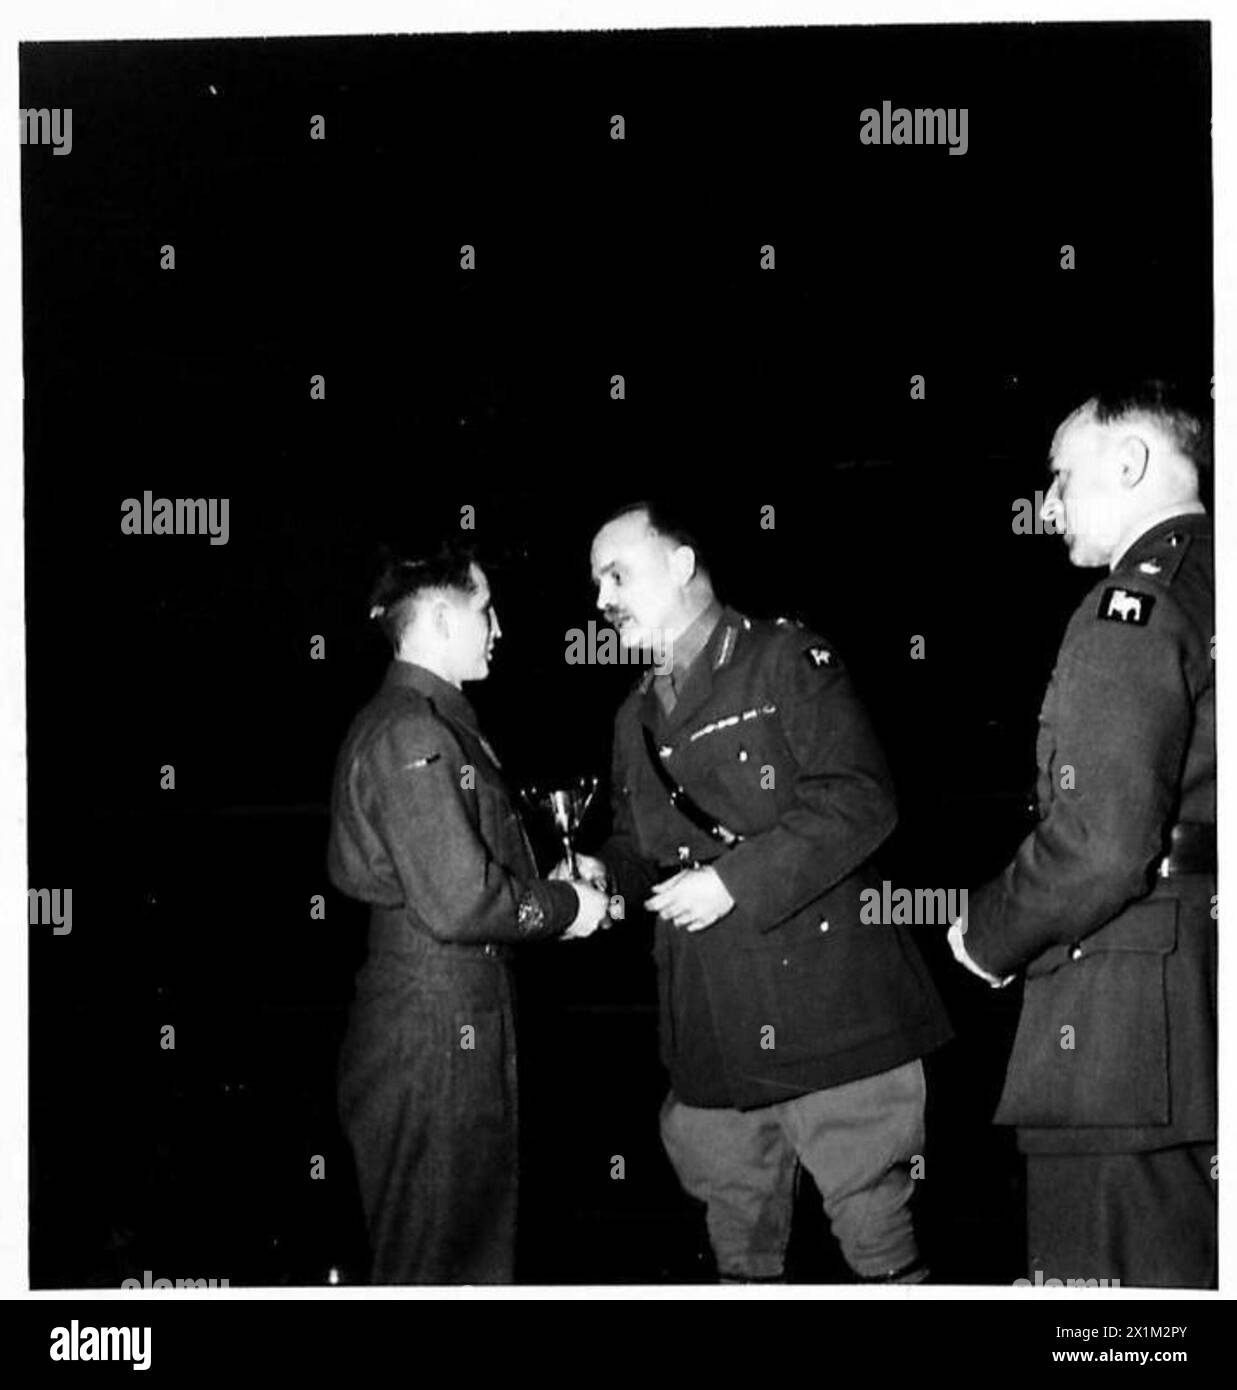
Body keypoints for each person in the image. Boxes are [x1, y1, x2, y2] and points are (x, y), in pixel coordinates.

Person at [571, 503, 952, 1282]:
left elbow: (859, 798)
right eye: (594, 584)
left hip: (824, 1003)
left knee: (873, 1232)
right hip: (708, 1015)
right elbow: (644, 846)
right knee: (738, 1242)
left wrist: (730, 883)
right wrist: (603, 874)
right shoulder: (632, 715)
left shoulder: (783, 657)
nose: (602, 601)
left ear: (681, 565)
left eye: (618, 574)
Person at [949, 379, 1215, 1287]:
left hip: (1129, 1036)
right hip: (1199, 1003)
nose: (1048, 503)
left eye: (1062, 478)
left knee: (1111, 1322)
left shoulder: (1128, 607)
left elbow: (1103, 845)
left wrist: (985, 935)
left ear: (1130, 462)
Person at [327, 545, 609, 1284]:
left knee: (466, 1255)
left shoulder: (429, 722)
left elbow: (461, 880)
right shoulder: (413, 730)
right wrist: (567, 906)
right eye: (486, 612)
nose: (499, 629)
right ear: (444, 618)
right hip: (433, 1031)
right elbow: (457, 903)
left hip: (449, 1020)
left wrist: (544, 882)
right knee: (439, 1262)